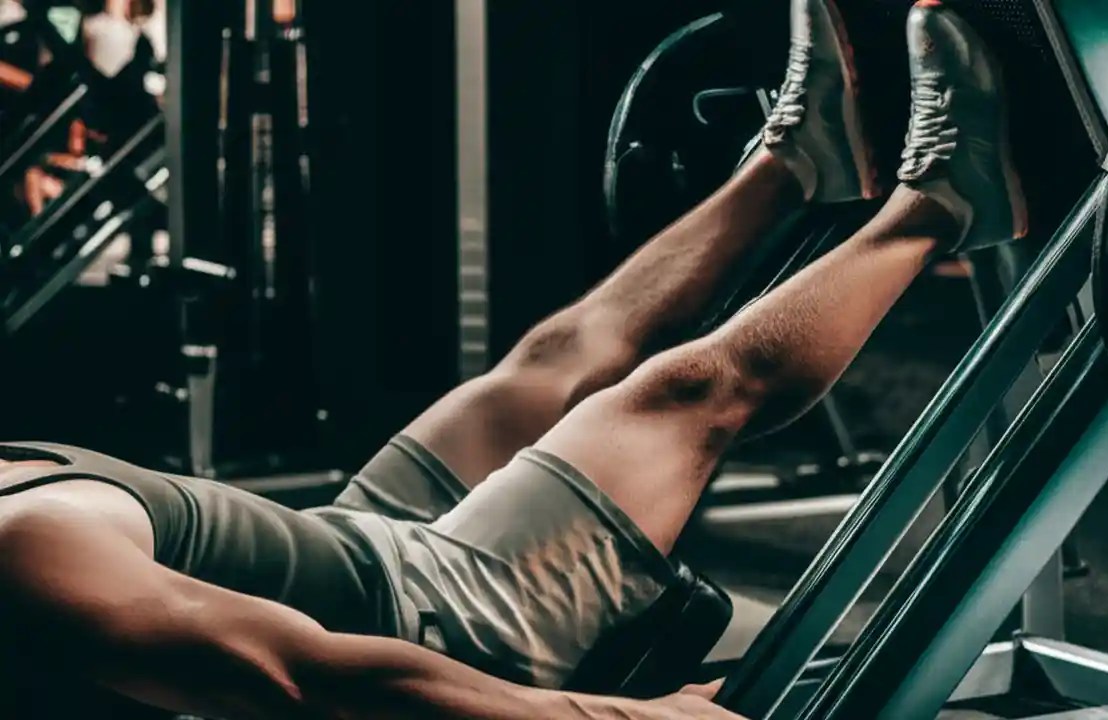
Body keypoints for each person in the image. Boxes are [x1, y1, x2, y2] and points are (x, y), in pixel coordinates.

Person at [0, 0, 1026, 717]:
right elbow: (312, 686)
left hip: (351, 541)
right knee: (680, 393)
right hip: (439, 627)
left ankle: (792, 165)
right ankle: (946, 203)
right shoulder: (23, 555)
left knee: (549, 357)